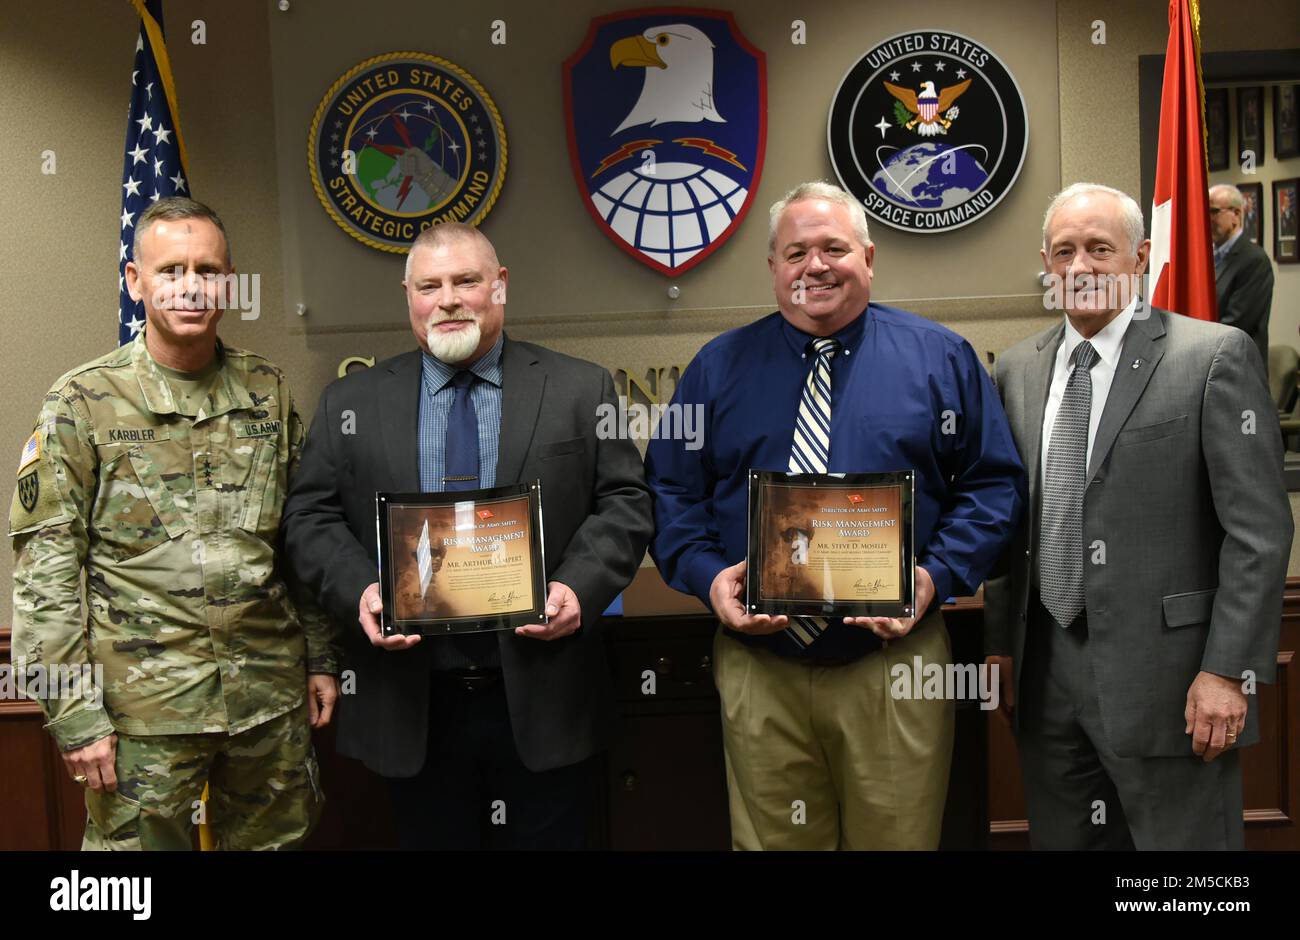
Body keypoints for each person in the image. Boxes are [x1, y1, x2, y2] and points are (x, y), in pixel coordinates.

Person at [644, 180, 1025, 850]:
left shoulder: (940, 360)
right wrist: (709, 579)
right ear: (772, 268)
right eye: (795, 253)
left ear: (869, 258)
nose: (814, 266)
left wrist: (934, 577)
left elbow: (993, 488)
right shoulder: (717, 369)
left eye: (832, 248)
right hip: (759, 663)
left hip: (896, 660)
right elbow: (671, 493)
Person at [282, 222, 653, 850]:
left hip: (543, 692)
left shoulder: (577, 388)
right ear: (409, 297)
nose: (447, 300)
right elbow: (309, 518)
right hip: (412, 702)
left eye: (466, 281)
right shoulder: (352, 400)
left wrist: (575, 588)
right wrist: (363, 591)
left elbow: (626, 502)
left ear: (500, 286)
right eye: (430, 286)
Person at [9, 197, 338, 850]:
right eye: (171, 270)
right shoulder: (82, 401)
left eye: (208, 269)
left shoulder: (266, 389)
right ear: (135, 281)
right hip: (141, 717)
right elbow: (44, 574)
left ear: (229, 281)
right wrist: (74, 715)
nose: (192, 286)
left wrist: (322, 656)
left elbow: (301, 536)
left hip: (267, 703)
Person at [984, 182, 1291, 850]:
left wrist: (1225, 671)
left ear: (1140, 257)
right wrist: (1001, 645)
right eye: (1064, 251)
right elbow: (1011, 529)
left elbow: (1259, 534)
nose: (1081, 267)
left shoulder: (1211, 356)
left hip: (1175, 682)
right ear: (1045, 262)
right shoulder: (1016, 370)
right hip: (1047, 680)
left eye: (1100, 249)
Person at [1209, 184, 1274, 370]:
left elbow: (1237, 323)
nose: (1208, 218)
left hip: (1241, 370)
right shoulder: (1206, 258)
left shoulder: (1254, 260)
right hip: (1215, 364)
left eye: (1214, 211)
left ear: (1236, 215)